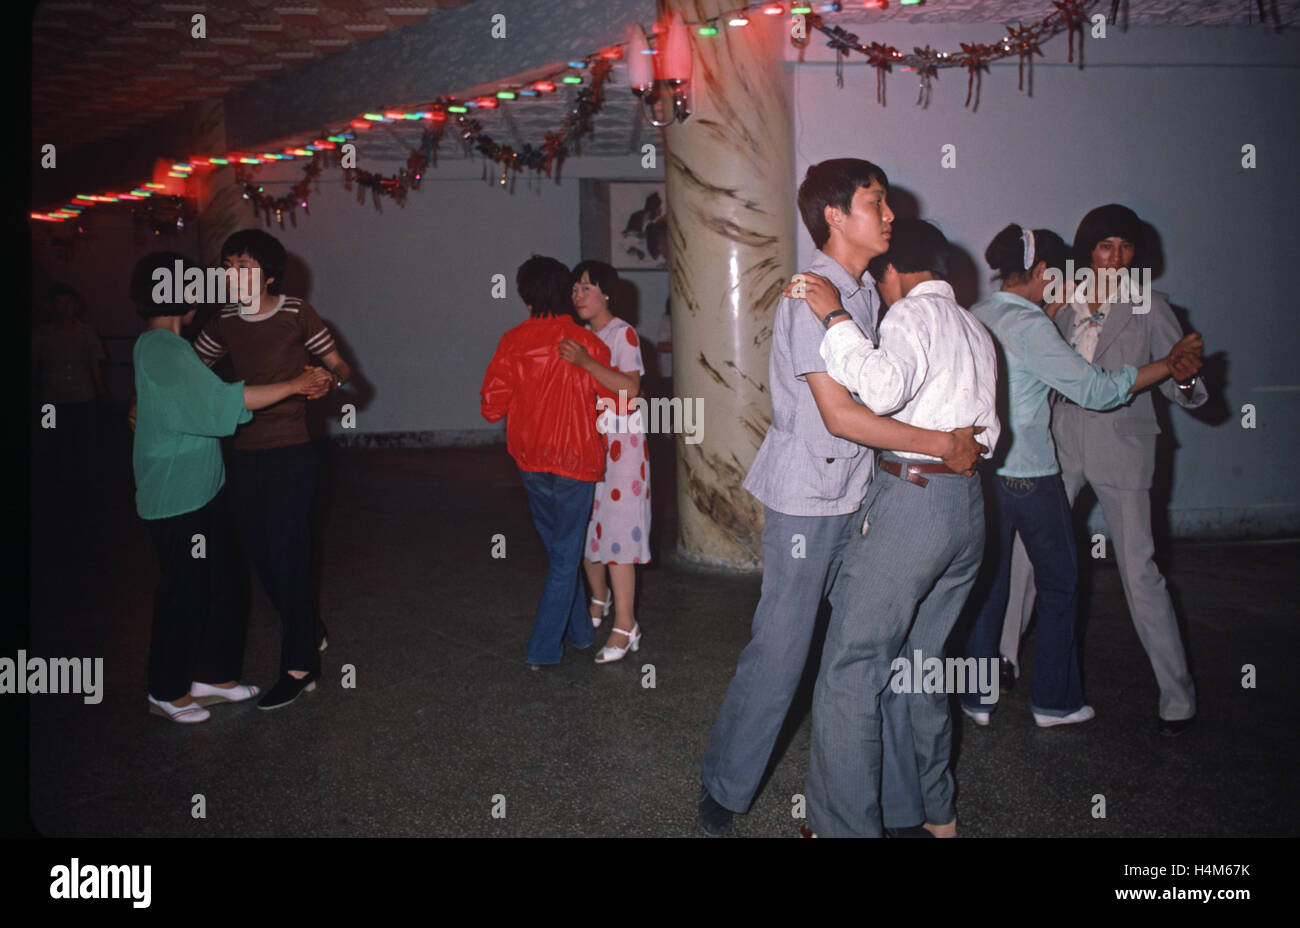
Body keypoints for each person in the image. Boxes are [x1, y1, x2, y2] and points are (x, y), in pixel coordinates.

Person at [696, 163, 988, 838]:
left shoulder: (864, 298)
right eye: (875, 202)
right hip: (810, 500)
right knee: (785, 649)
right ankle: (725, 784)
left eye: (886, 202)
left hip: (865, 497)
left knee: (873, 652)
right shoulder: (811, 296)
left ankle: (896, 806)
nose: (890, 214)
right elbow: (841, 417)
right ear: (834, 215)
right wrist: (942, 443)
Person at [800, 218, 1000, 838]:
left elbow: (882, 390)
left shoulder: (913, 315)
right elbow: (991, 433)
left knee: (850, 668)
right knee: (923, 667)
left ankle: (841, 829)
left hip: (913, 504)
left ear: (894, 269)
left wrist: (834, 317)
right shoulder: (976, 328)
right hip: (967, 511)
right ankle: (936, 814)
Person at [957, 224, 1202, 729]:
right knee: (1030, 569)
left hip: (1122, 448)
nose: (1116, 256)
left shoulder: (1151, 306)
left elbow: (1185, 386)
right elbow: (1059, 374)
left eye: (1126, 246)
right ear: (1084, 254)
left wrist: (1185, 375)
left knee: (1140, 572)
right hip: (1055, 449)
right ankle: (1012, 681)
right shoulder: (1058, 305)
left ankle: (1177, 693)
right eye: (1106, 244)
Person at [130, 252, 331, 723]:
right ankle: (166, 689)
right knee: (186, 590)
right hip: (176, 495)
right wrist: (295, 384)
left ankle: (216, 677)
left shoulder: (171, 348)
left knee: (226, 584)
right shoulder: (162, 347)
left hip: (201, 489)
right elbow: (222, 402)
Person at [193, 229, 353, 710]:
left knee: (290, 553)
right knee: (262, 557)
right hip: (243, 451)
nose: (233, 273)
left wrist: (329, 379)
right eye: (228, 264)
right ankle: (307, 625)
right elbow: (193, 368)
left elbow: (341, 365)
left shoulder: (294, 312)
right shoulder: (222, 321)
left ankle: (300, 667)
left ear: (268, 272)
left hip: (291, 450)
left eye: (244, 264)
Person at [482, 256, 617, 668]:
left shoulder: (512, 341)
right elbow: (614, 399)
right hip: (576, 460)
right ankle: (543, 649)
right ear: (564, 294)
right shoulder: (587, 343)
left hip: (530, 460)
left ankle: (577, 634)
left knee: (560, 555)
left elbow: (491, 407)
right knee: (564, 556)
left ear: (525, 297)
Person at [557, 260, 651, 663]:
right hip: (588, 443)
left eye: (587, 288)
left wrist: (587, 363)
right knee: (588, 529)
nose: (579, 295)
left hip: (622, 447)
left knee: (617, 535)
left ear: (606, 293)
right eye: (575, 289)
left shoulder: (622, 334)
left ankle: (626, 624)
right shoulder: (578, 335)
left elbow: (631, 388)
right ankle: (600, 599)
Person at [33, 284, 106, 483]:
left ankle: (86, 478)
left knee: (85, 438)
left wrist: (101, 393)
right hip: (52, 397)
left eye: (68, 303)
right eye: (59, 303)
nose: (64, 308)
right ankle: (57, 477)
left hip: (83, 394)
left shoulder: (87, 332)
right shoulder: (41, 335)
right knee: (53, 436)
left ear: (75, 305)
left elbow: (95, 363)